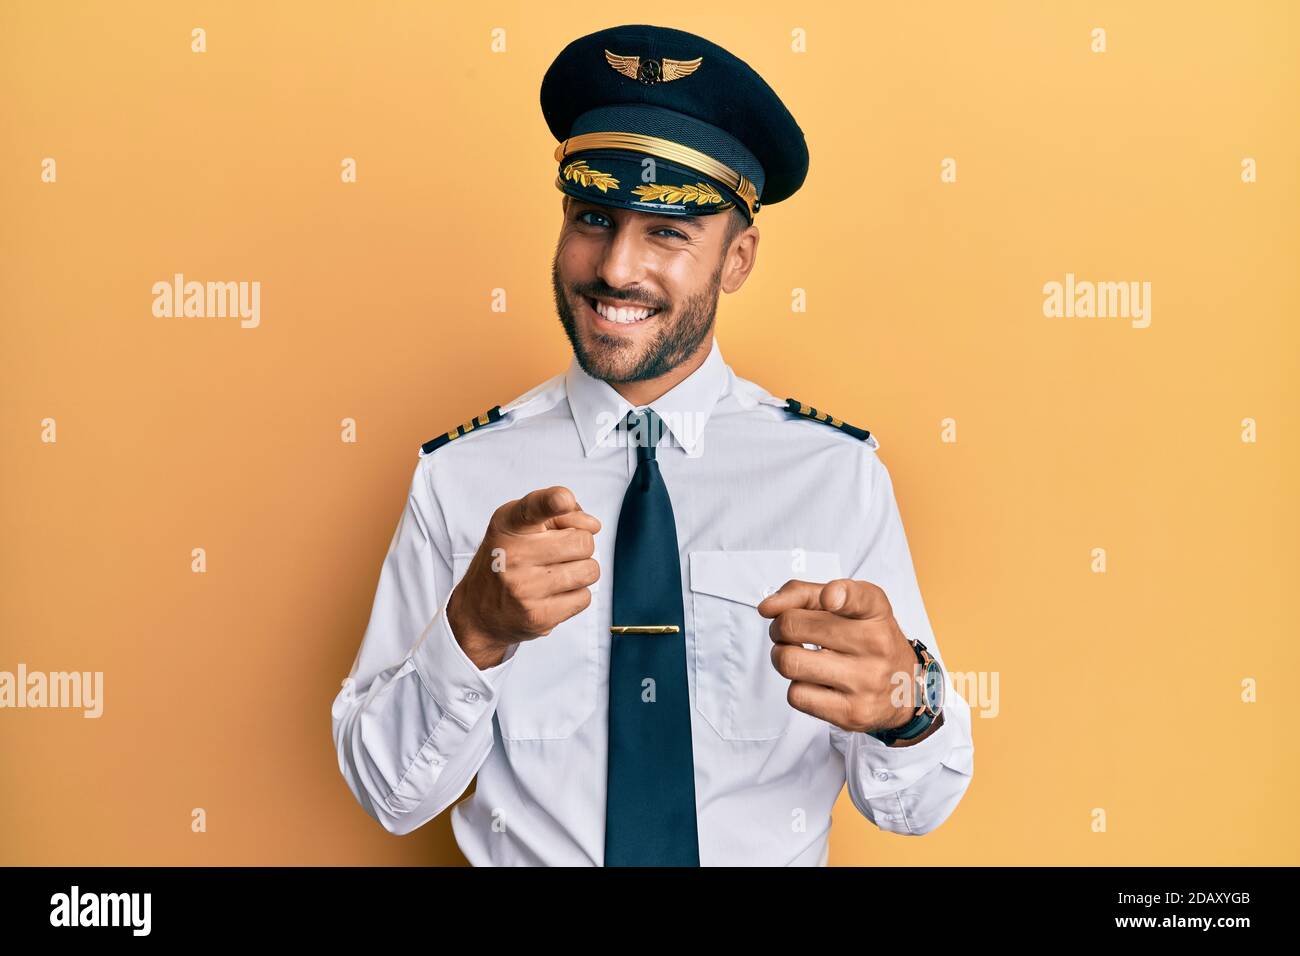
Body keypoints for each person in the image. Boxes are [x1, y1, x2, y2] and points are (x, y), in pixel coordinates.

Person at [331, 23, 974, 866]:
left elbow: (917, 805)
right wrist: (474, 631)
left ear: (737, 259)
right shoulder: (459, 477)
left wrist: (905, 704)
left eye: (668, 232)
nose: (617, 268)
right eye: (594, 218)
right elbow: (389, 795)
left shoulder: (838, 477)